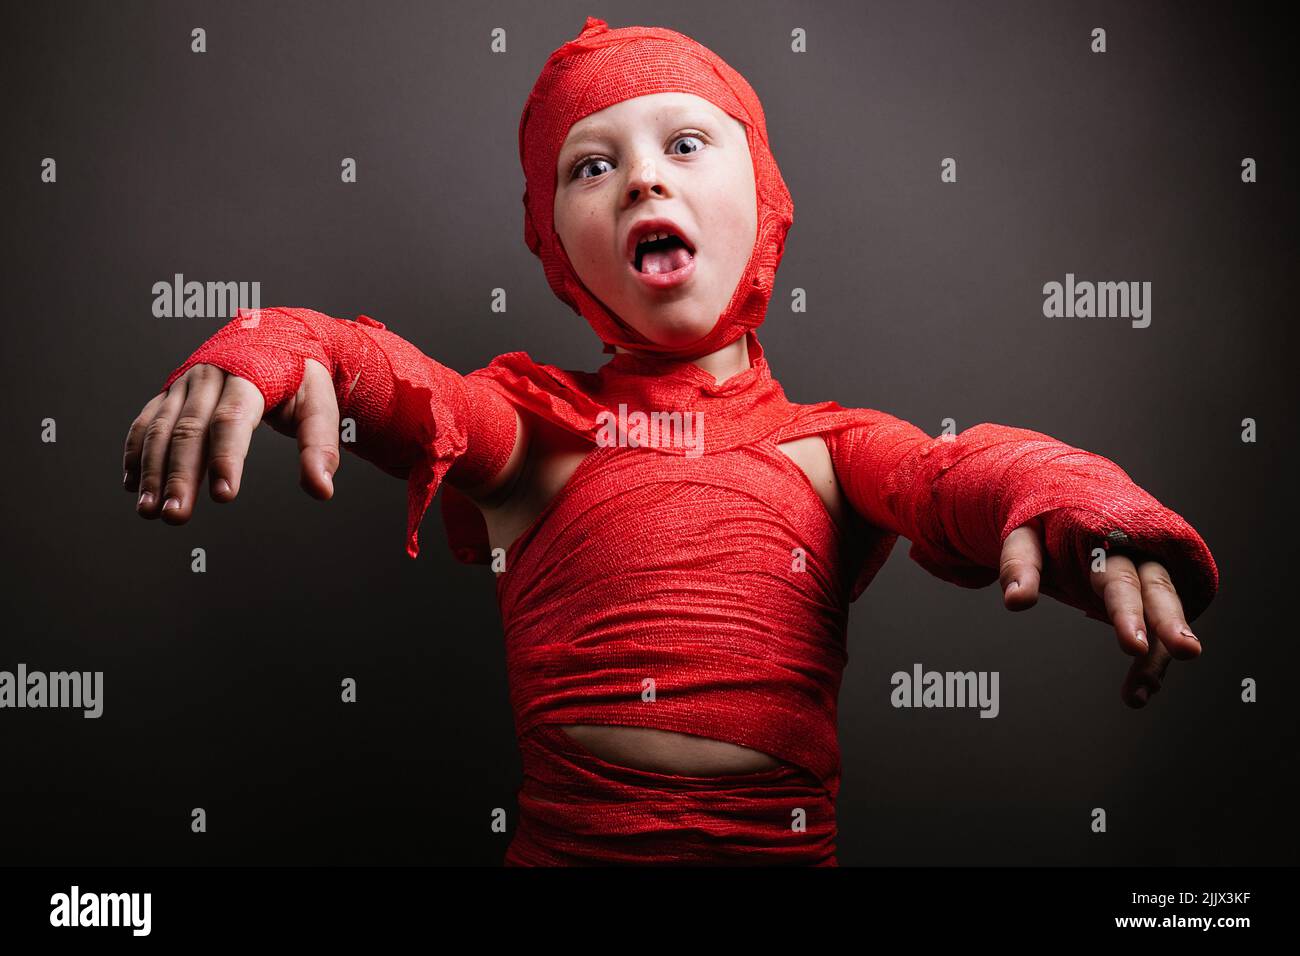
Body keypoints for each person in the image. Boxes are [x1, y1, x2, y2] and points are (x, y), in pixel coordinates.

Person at [121, 17, 1218, 865]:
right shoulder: (537, 434)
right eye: (590, 165)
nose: (644, 174)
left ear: (765, 200)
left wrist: (1073, 499)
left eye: (686, 142)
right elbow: (415, 396)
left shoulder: (827, 450)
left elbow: (955, 474)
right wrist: (289, 338)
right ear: (559, 250)